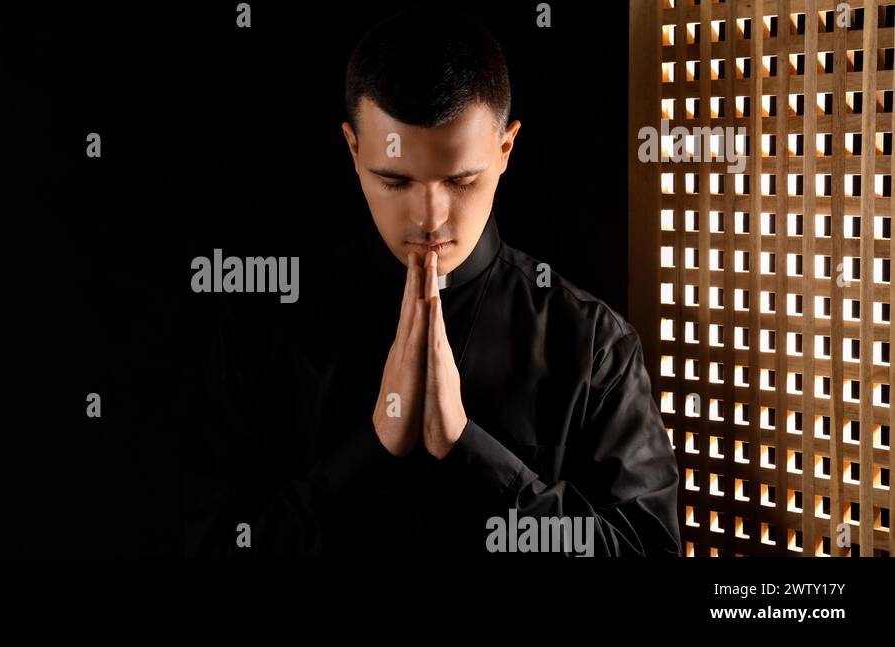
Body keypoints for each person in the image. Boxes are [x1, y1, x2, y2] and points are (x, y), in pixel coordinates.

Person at [183, 7, 679, 557]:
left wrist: (469, 448)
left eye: (462, 180)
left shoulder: (592, 344)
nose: (429, 216)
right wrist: (371, 447)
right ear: (353, 151)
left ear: (506, 150)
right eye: (394, 180)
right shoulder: (263, 333)